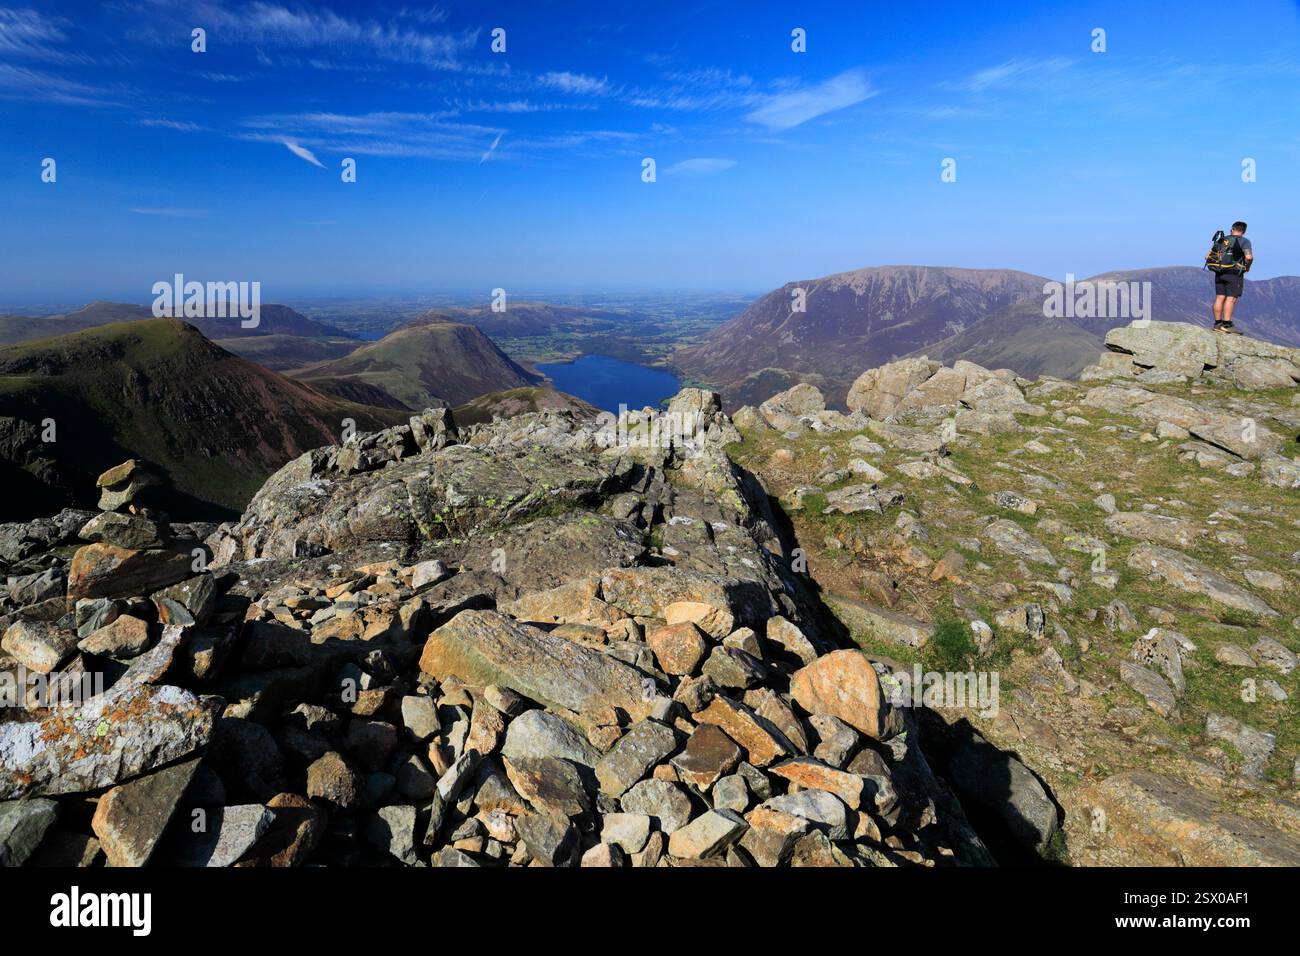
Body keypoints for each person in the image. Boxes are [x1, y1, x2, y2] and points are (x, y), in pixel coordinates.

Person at [1210, 221, 1253, 333]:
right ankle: (1227, 324)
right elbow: (1248, 257)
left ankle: (1217, 323)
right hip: (1234, 273)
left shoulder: (1221, 239)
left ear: (1232, 229)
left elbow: (1207, 256)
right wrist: (1247, 267)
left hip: (1219, 272)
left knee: (1220, 297)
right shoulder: (1244, 241)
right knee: (1231, 298)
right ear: (1243, 231)